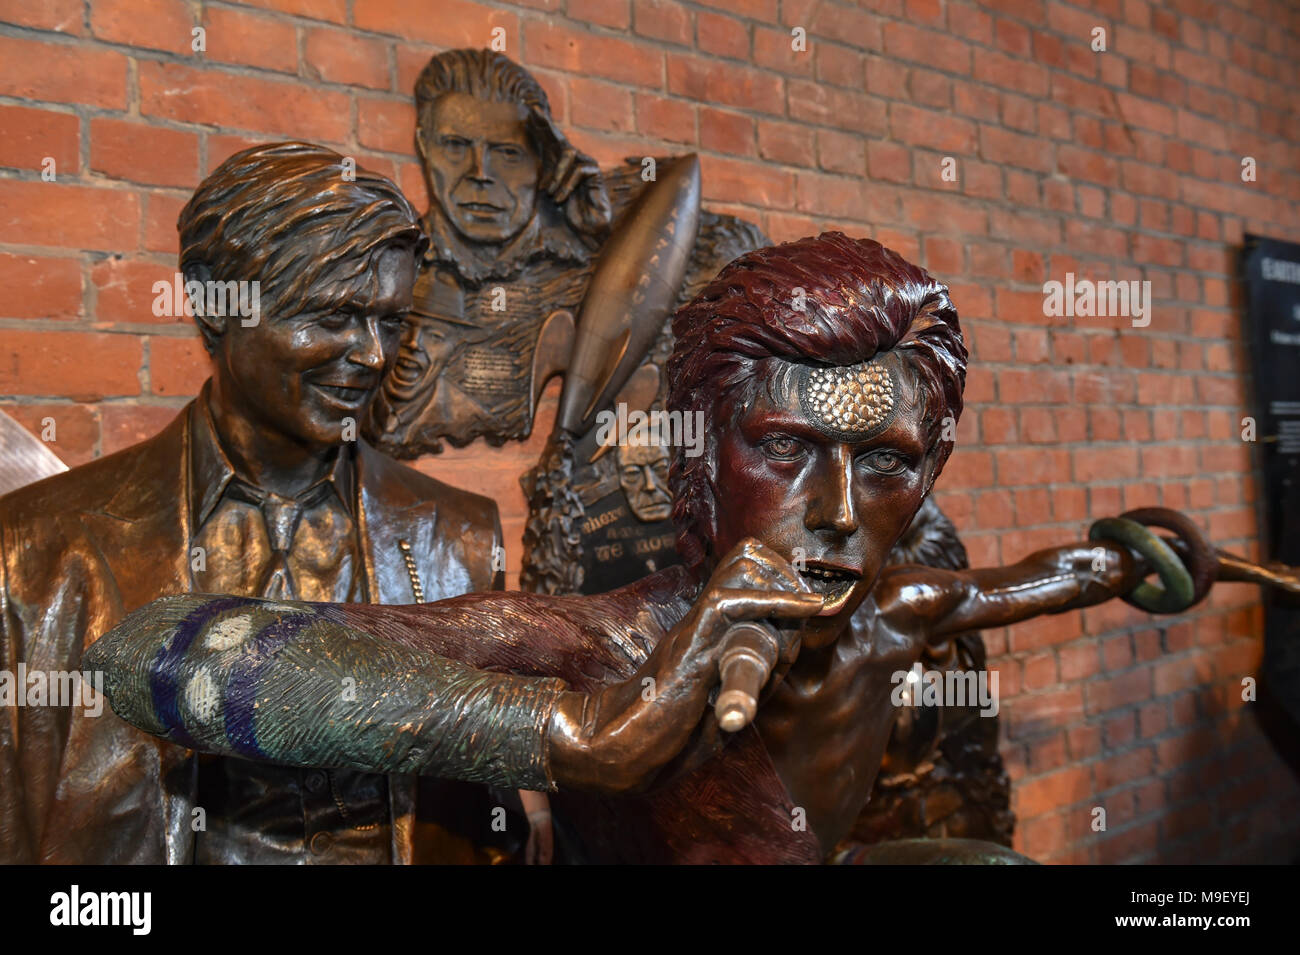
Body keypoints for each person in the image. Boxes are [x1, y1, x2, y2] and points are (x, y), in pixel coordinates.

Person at [90, 232, 1226, 862]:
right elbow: (157, 654)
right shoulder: (604, 640)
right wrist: (581, 735)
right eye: (785, 448)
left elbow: (1057, 576)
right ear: (704, 461)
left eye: (882, 461)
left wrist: (1148, 555)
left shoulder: (898, 612)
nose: (834, 507)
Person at [0, 142, 788, 864]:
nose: (371, 356)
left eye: (389, 322)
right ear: (216, 304)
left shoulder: (457, 534)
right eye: (334, 316)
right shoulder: (37, 552)